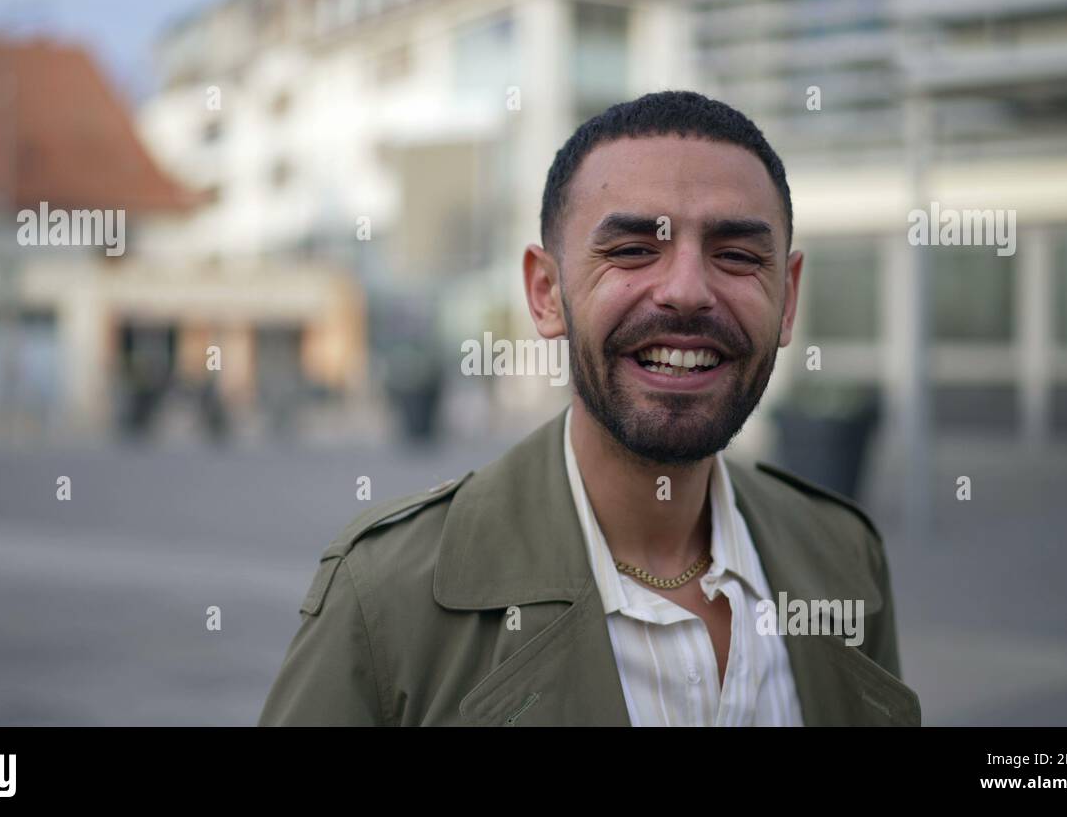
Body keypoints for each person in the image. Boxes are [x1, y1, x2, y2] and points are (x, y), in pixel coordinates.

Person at [259, 91, 920, 726]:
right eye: (633, 250)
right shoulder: (383, 598)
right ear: (546, 293)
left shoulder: (845, 556)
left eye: (738, 256)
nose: (687, 291)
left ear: (789, 296)